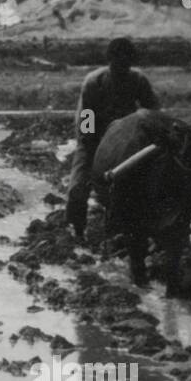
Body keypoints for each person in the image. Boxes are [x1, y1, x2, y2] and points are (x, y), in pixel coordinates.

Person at [65, 37, 160, 241]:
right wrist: (93, 147)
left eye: (127, 62)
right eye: (118, 61)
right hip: (94, 137)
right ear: (110, 60)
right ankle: (77, 229)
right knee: (78, 187)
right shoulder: (94, 82)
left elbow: (152, 110)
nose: (122, 65)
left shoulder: (138, 80)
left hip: (126, 138)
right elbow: (86, 119)